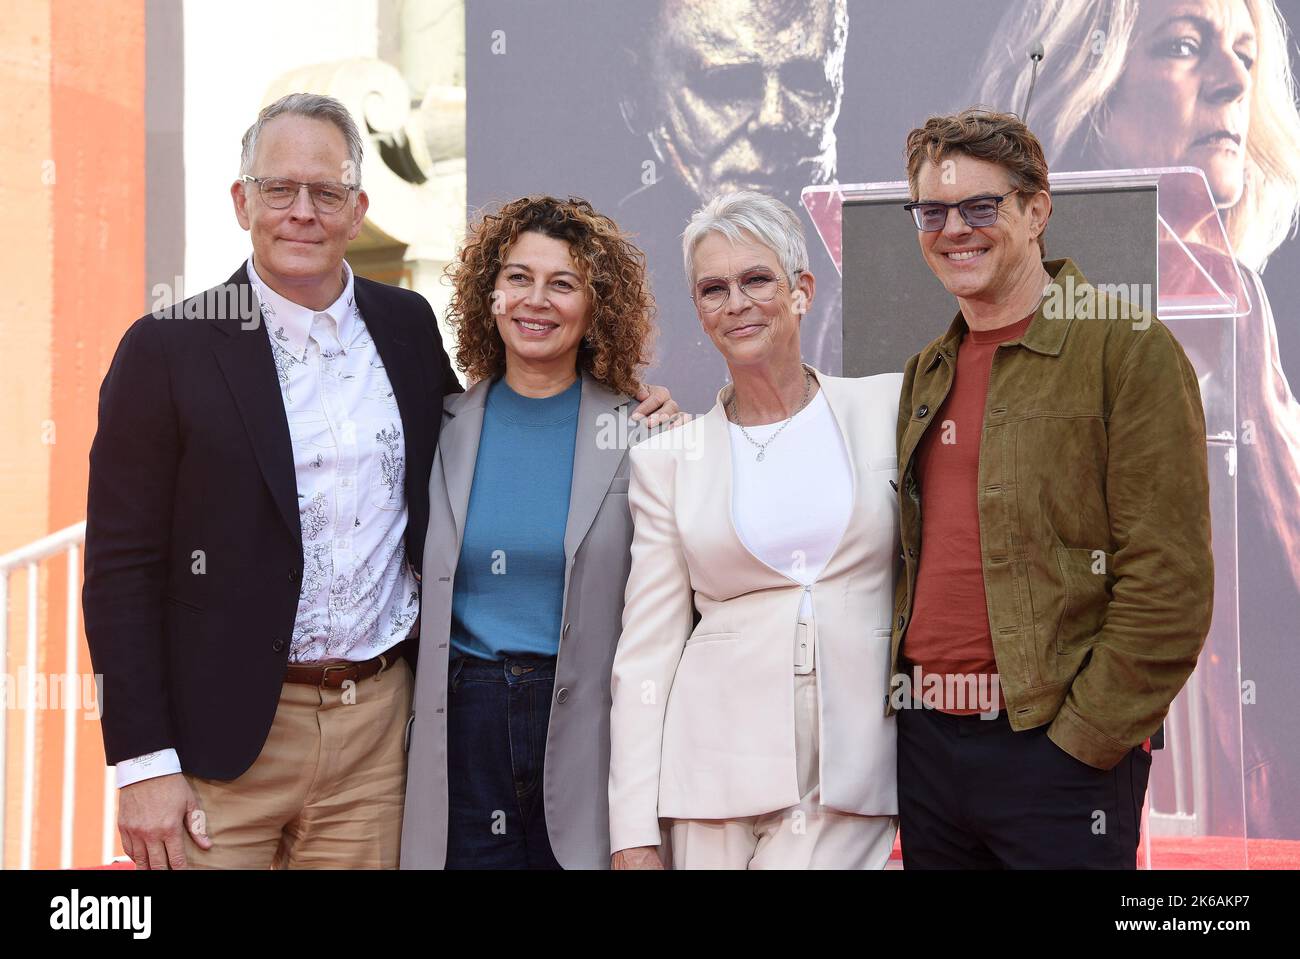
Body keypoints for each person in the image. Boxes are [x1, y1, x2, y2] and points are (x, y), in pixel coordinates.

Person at [83, 94, 677, 870]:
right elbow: (119, 571)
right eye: (279, 189)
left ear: (358, 209)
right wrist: (141, 764)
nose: (303, 211)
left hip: (379, 741)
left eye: (326, 192)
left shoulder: (403, 328)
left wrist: (643, 404)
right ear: (242, 201)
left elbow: (493, 436)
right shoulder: (166, 348)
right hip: (222, 748)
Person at [974, 0, 1300, 843]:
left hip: (1219, 798)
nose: (1233, 80)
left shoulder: (1232, 298)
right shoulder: (996, 298)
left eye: (1245, 54)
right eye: (1185, 48)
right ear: (1095, 89)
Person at [892, 108, 1213, 869]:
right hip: (927, 749)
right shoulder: (925, 371)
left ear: (1037, 211)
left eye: (981, 207)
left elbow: (1169, 583)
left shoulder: (1126, 349)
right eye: (932, 210)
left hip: (1057, 758)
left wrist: (1082, 742)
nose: (953, 228)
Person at [608, 191, 900, 870]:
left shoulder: (887, 407)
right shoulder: (668, 458)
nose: (735, 302)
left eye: (756, 279)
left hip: (852, 769)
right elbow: (646, 654)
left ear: (802, 290)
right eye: (713, 288)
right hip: (708, 773)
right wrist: (632, 829)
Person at [400, 196, 665, 869]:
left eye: (563, 283)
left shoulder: (643, 432)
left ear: (595, 305)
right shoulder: (438, 426)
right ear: (489, 293)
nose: (536, 300)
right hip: (465, 726)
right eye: (519, 277)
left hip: (585, 727)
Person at [614, 0, 851, 409]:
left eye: (807, 80)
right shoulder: (603, 275)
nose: (775, 119)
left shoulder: (881, 262)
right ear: (639, 94)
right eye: (729, 85)